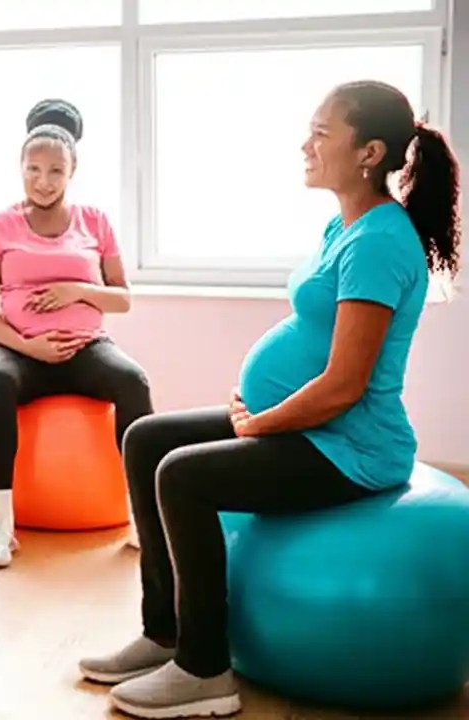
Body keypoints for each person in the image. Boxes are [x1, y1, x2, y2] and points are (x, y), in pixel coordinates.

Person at [78, 80, 461, 719]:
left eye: (320, 132)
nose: (304, 144)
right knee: (146, 439)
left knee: (183, 475)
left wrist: (260, 424)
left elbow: (345, 384)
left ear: (368, 151)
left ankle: (205, 673)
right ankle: (165, 632)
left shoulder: (380, 241)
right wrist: (258, 400)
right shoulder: (344, 224)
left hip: (350, 448)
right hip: (308, 428)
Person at [0, 99, 152, 568]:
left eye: (54, 171)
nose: (43, 181)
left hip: (85, 349)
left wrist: (77, 290)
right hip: (19, 348)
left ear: (72, 171)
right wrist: (26, 345)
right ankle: (1, 526)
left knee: (134, 382)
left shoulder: (96, 222)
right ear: (20, 168)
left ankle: (142, 517)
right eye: (33, 169)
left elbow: (122, 298)